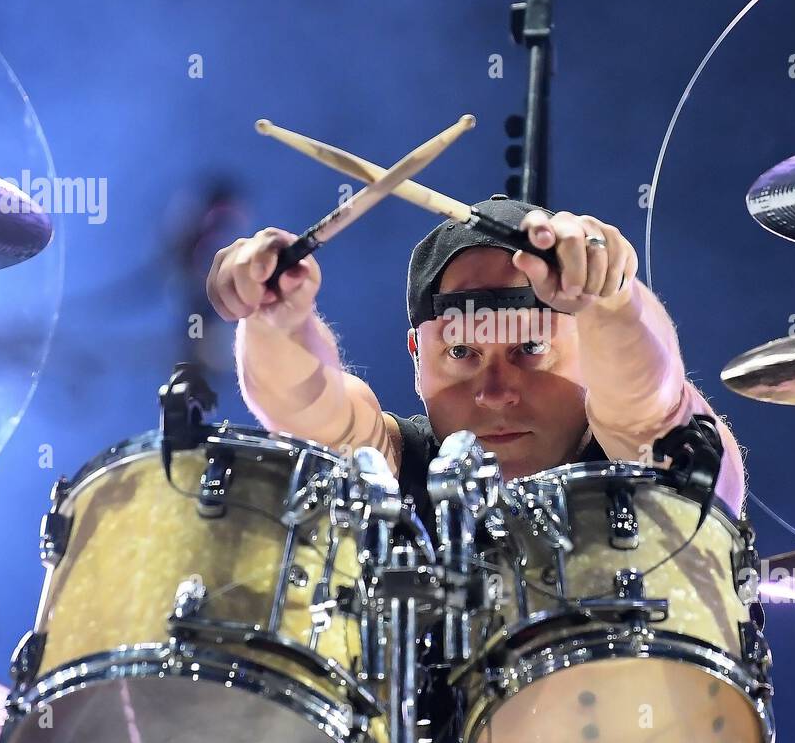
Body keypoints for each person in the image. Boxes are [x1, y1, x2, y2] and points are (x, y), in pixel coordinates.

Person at [206, 194, 745, 524]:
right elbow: (313, 417)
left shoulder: (659, 459)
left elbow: (648, 402)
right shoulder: (394, 471)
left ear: (588, 348)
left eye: (530, 348)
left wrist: (612, 300)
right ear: (417, 356)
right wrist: (275, 323)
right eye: (462, 352)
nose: (495, 392)